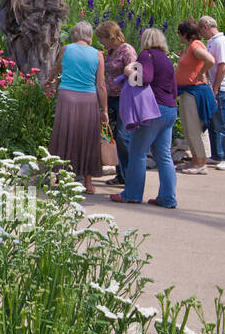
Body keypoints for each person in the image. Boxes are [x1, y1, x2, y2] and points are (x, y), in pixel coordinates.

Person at [111, 27, 178, 208]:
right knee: (164, 155)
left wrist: (127, 72)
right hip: (170, 109)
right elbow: (174, 88)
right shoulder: (166, 59)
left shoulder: (147, 55)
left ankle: (132, 194)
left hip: (153, 110)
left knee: (137, 152)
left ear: (146, 40)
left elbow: (145, 78)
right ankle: (168, 198)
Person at [45, 21, 107, 195]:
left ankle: (65, 178)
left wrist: (48, 82)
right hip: (88, 99)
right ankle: (88, 184)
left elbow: (56, 69)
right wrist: (104, 110)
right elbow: (101, 85)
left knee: (65, 135)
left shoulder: (66, 49)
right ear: (89, 35)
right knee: (88, 139)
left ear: (74, 34)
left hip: (67, 98)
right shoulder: (98, 55)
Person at [173, 20, 217, 175]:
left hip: (194, 92)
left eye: (180, 33)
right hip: (187, 91)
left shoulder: (195, 46)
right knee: (188, 128)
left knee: (193, 129)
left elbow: (210, 60)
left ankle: (201, 163)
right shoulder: (191, 46)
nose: (179, 37)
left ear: (185, 33)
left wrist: (200, 73)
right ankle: (195, 160)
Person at [96, 21, 137, 187]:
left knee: (122, 136)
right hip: (110, 98)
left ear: (110, 37)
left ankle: (130, 174)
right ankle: (120, 173)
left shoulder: (127, 50)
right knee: (112, 137)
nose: (100, 41)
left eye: (102, 38)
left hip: (123, 98)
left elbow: (134, 73)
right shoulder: (110, 51)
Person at [198, 15, 225, 170]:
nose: (201, 34)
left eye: (201, 30)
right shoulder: (212, 41)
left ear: (206, 26)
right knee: (214, 123)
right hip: (213, 87)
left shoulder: (220, 42)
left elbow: (222, 67)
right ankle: (217, 154)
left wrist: (215, 87)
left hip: (220, 88)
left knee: (223, 123)